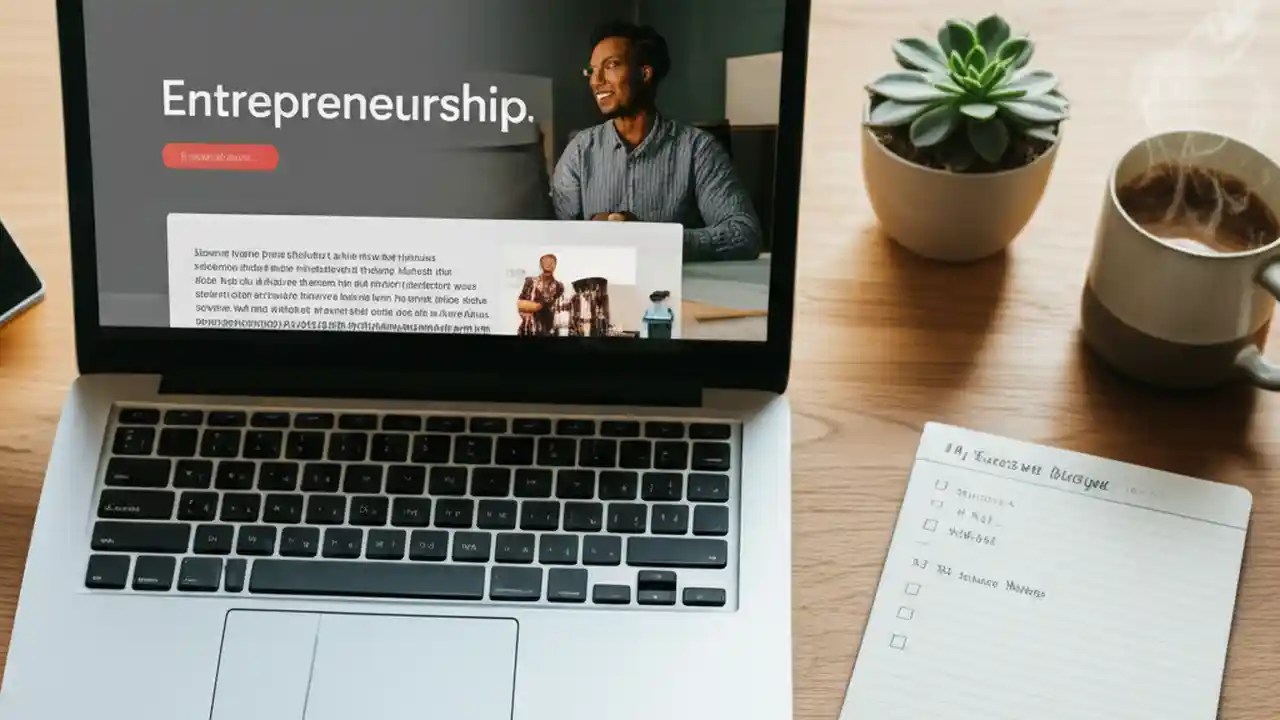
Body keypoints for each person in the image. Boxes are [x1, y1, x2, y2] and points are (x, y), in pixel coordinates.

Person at [552, 21, 762, 262]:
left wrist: (654, 239)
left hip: (678, 292)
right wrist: (592, 230)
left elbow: (745, 234)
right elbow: (554, 238)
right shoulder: (579, 151)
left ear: (644, 73)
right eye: (591, 70)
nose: (596, 80)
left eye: (610, 65)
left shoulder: (698, 150)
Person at [516, 254, 564, 336]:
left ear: (555, 265)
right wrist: (532, 308)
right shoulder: (530, 282)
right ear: (541, 265)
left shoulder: (559, 286)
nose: (548, 265)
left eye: (551, 263)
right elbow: (520, 305)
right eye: (545, 262)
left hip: (548, 332)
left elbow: (559, 310)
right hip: (528, 331)